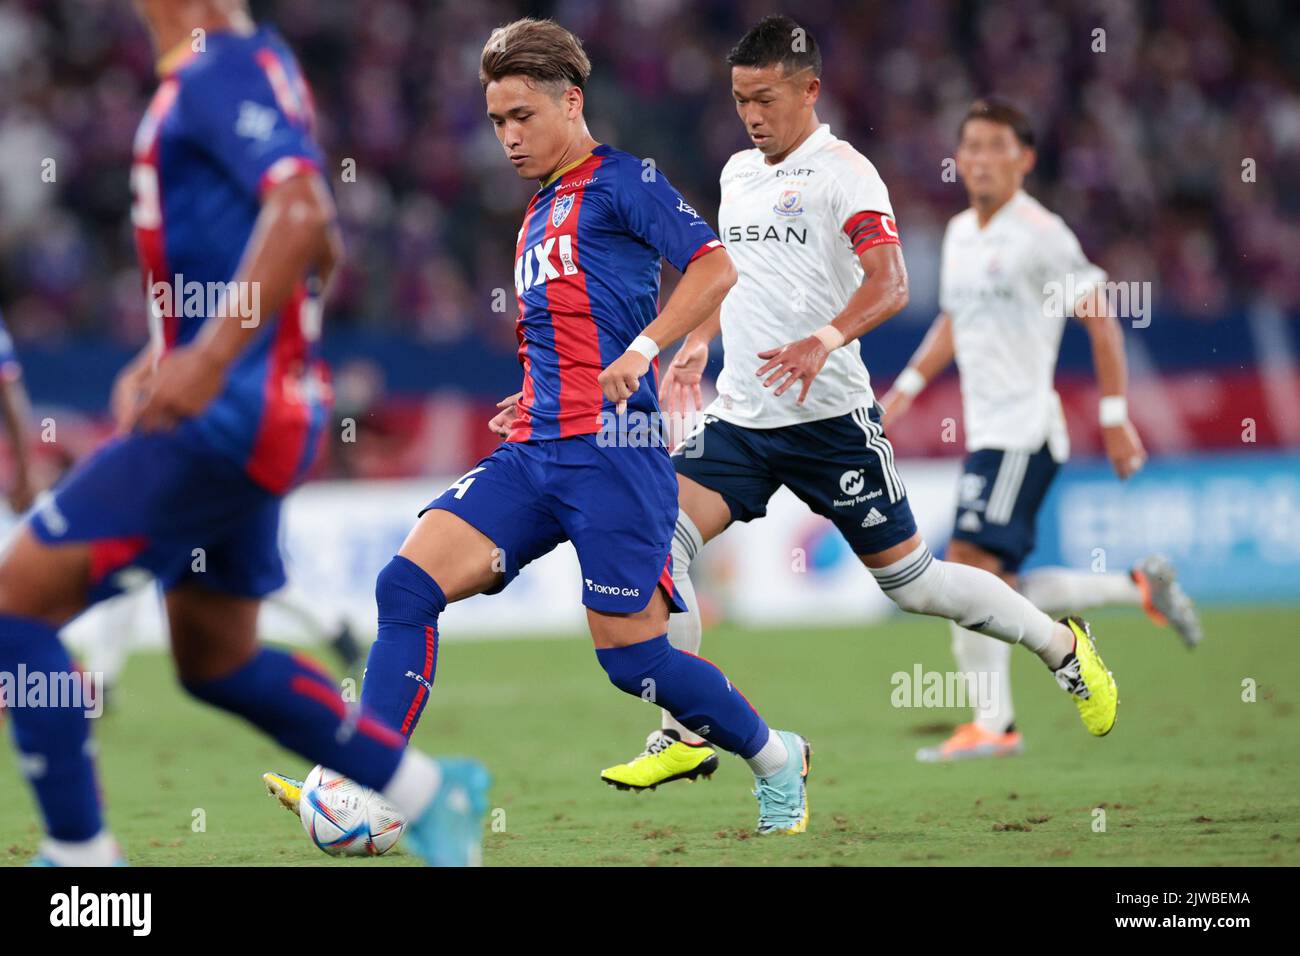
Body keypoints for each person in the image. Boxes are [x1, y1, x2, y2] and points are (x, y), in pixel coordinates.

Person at [0, 0, 484, 867]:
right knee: (216, 659)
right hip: (258, 415)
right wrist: (180, 351)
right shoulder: (252, 64)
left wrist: (211, 359)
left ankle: (78, 858)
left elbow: (301, 216)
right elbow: (321, 237)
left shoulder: (215, 65)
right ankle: (426, 792)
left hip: (222, 422)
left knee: (14, 610)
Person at [598, 17, 1118, 794]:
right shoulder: (739, 172)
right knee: (654, 543)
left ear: (808, 90)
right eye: (740, 99)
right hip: (742, 420)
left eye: (765, 98)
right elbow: (730, 269)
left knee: (917, 586)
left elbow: (892, 284)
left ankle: (1061, 647)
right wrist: (700, 336)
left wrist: (825, 341)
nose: (751, 115)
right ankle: (684, 732)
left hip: (830, 425)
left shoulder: (847, 173)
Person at [879, 98, 1202, 762]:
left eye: (997, 145)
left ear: (1024, 159)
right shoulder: (961, 234)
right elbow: (954, 321)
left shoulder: (1041, 234)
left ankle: (995, 725)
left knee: (966, 565)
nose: (980, 158)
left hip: (1023, 432)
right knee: (998, 584)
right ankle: (1134, 589)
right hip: (991, 432)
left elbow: (1101, 318)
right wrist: (907, 388)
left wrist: (1115, 419)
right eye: (970, 145)